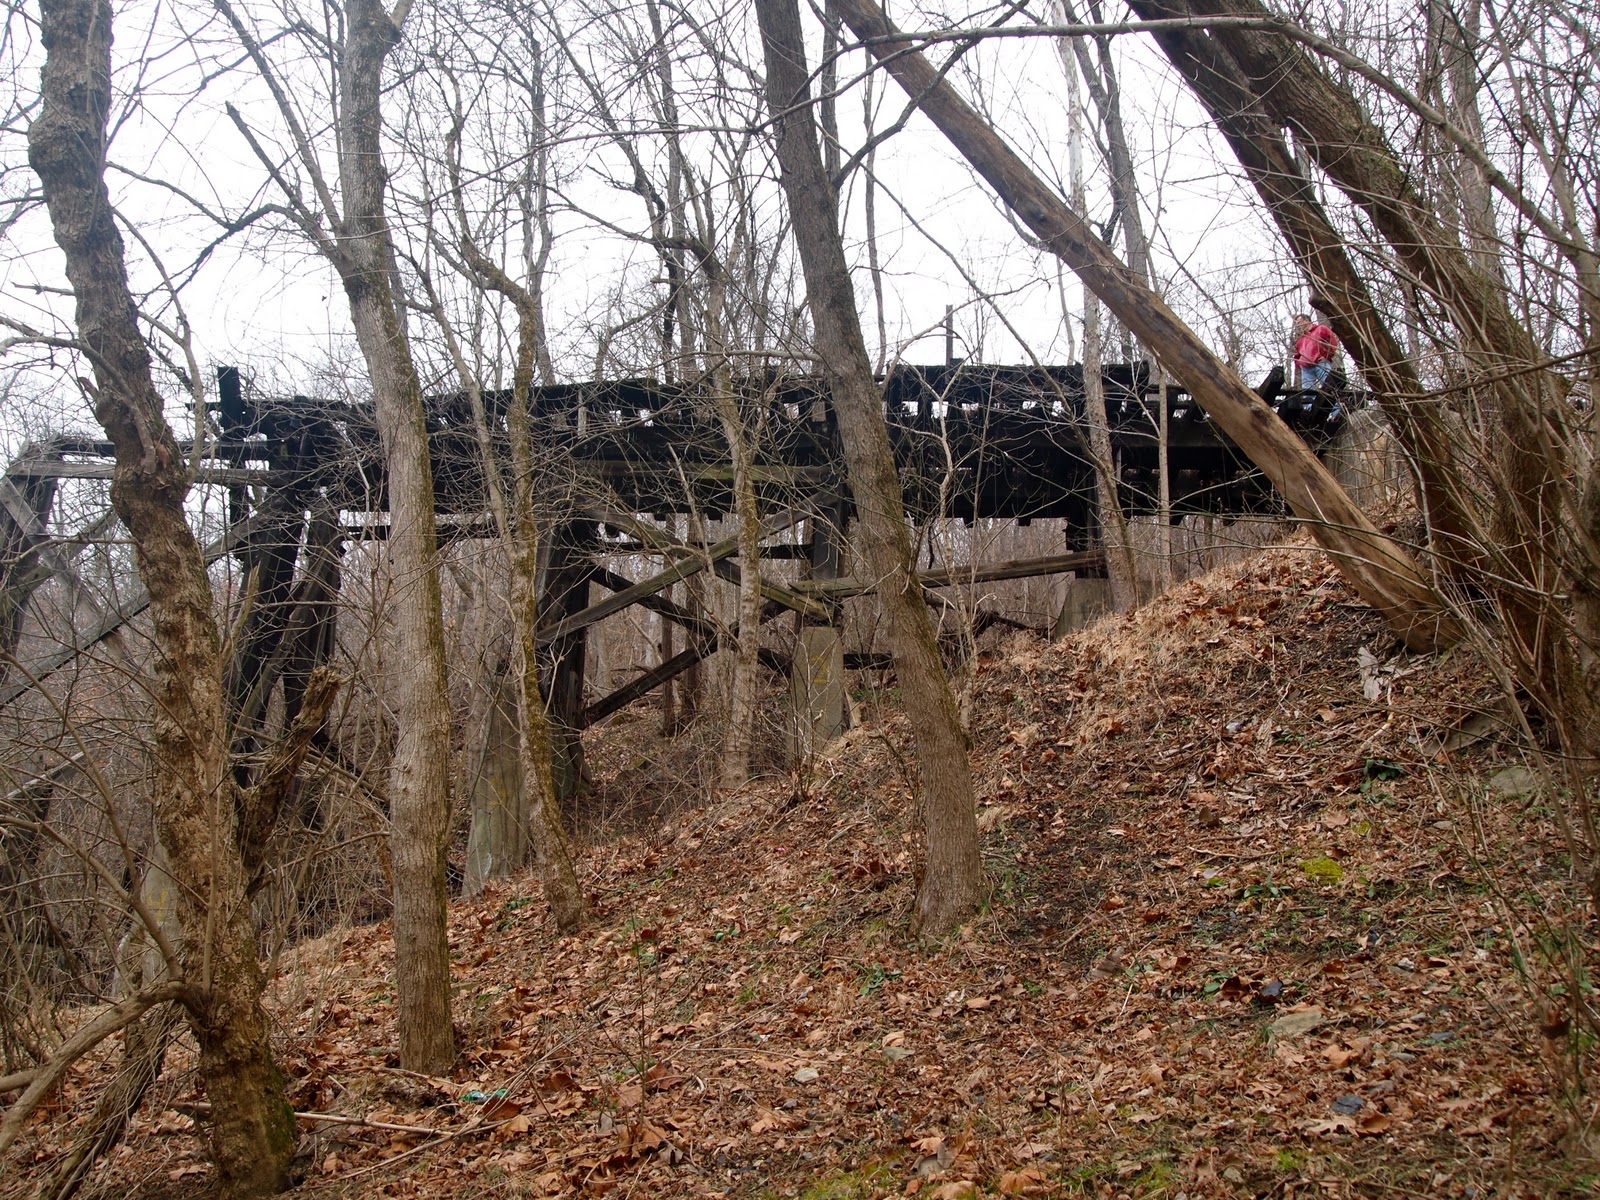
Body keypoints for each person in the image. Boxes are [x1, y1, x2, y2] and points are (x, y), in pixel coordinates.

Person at [1291, 313, 1339, 390]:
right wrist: (1299, 363)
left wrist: (1327, 356)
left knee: (1329, 387)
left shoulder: (1321, 329)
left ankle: (1334, 398)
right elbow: (1297, 355)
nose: (1298, 325)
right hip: (1306, 368)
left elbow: (1332, 342)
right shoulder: (1301, 339)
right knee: (1307, 392)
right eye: (1297, 324)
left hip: (1321, 363)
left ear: (1306, 320)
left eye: (1299, 323)